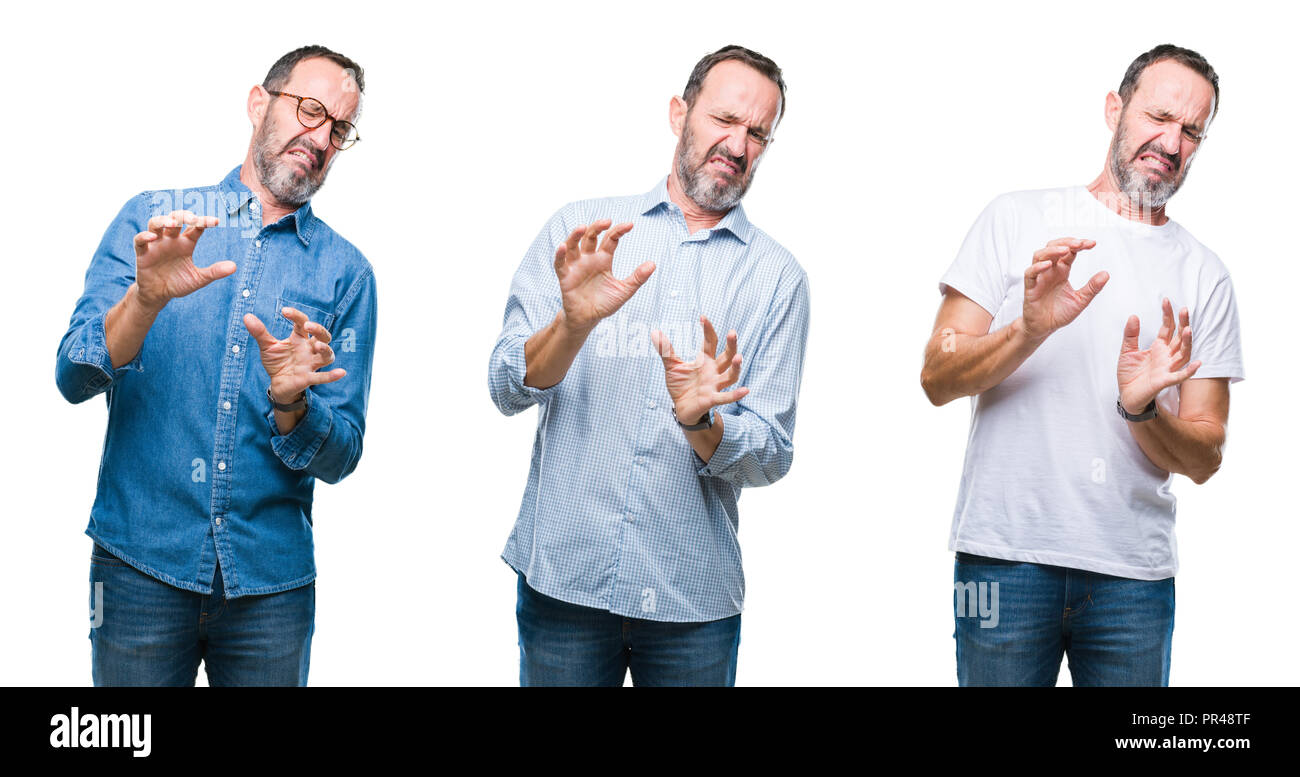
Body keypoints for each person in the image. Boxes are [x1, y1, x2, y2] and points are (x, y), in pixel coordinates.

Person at [921, 44, 1244, 686]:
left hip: (1135, 582)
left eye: (1192, 131)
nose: (1171, 142)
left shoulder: (1205, 274)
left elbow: (1206, 457)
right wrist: (1028, 330)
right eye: (1158, 116)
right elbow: (936, 375)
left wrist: (1142, 409)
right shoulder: (1014, 216)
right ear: (1114, 109)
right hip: (997, 563)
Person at [488, 45, 810, 686]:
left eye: (757, 134)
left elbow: (771, 455)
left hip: (691, 604)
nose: (737, 145)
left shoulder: (779, 279)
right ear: (678, 113)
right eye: (723, 119)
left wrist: (702, 423)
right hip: (563, 587)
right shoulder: (582, 230)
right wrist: (572, 324)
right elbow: (505, 386)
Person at [56, 45, 377, 686]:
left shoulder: (348, 274)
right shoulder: (155, 220)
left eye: (339, 129)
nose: (320, 138)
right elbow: (74, 375)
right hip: (138, 565)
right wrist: (144, 302)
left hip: (272, 589)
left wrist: (293, 406)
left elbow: (341, 457)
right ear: (260, 102)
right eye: (310, 111)